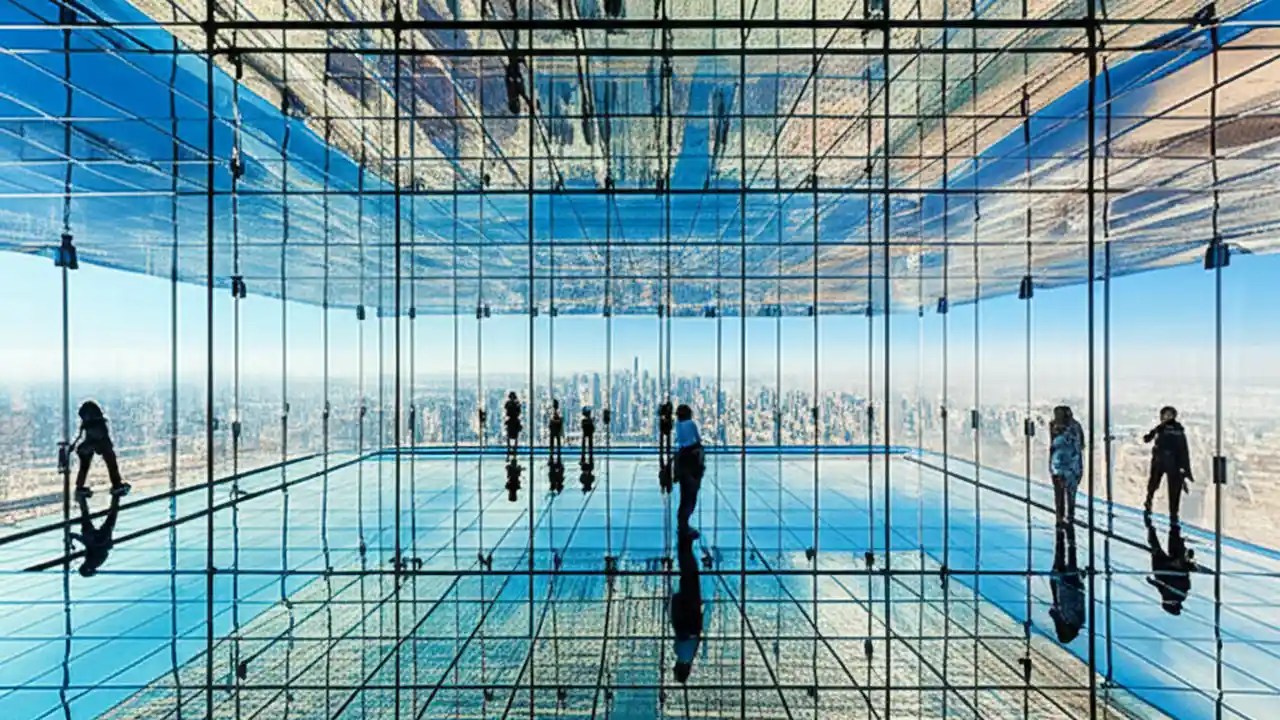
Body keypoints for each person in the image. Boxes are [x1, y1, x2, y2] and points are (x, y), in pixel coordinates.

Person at [1142, 406, 1193, 523]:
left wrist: (1183, 468)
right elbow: (1147, 438)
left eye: (1170, 415)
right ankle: (1150, 502)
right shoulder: (1163, 428)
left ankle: (1172, 513)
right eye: (1166, 415)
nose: (1167, 417)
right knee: (1154, 484)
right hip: (1161, 461)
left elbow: (1183, 450)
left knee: (1172, 489)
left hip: (1171, 463)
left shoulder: (1174, 430)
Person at [71, 400, 130, 499]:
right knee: (111, 463)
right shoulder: (98, 423)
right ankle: (116, 484)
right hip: (96, 445)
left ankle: (80, 488)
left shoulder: (88, 424)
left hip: (89, 446)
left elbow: (82, 437)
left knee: (85, 467)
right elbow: (100, 437)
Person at [670, 528, 704, 684]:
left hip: (692, 605)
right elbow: (681, 630)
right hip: (687, 604)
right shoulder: (682, 653)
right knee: (687, 570)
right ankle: (685, 541)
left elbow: (693, 634)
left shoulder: (688, 655)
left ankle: (686, 541)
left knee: (690, 571)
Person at [1145, 515, 1196, 616]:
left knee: (1172, 544)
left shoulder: (1180, 597)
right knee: (1157, 549)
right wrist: (1152, 581)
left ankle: (1174, 527)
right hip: (1167, 568)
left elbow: (1185, 584)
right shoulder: (1170, 596)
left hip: (1177, 569)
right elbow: (1161, 585)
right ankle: (1151, 529)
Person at [1047, 523, 1084, 643]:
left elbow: (1079, 601)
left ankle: (1064, 532)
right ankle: (1063, 532)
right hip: (1066, 585)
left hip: (1068, 585)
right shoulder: (1070, 620)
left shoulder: (1076, 621)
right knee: (1064, 555)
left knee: (1066, 555)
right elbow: (1075, 602)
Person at [71, 492, 122, 577]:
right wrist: (75, 536)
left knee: (111, 517)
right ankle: (82, 498)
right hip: (98, 540)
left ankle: (116, 496)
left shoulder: (95, 563)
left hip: (103, 540)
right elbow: (90, 545)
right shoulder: (91, 562)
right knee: (86, 518)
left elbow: (102, 551)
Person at [1049, 405, 1084, 528]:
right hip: (1073, 466)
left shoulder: (1053, 425)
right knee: (1071, 493)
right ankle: (1070, 516)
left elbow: (1053, 446)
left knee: (1059, 494)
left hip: (1057, 466)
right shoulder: (1076, 426)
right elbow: (1082, 445)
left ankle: (1060, 517)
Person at [674, 404, 705, 539]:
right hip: (692, 458)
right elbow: (697, 439)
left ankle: (682, 524)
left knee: (684, 494)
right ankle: (684, 527)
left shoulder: (678, 425)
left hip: (682, 458)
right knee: (691, 495)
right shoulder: (691, 424)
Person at [504, 392, 523, 459]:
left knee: (514, 436)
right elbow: (507, 412)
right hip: (513, 421)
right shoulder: (513, 403)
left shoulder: (513, 403)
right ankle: (511, 448)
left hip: (513, 421)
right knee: (510, 436)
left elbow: (518, 412)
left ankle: (513, 449)